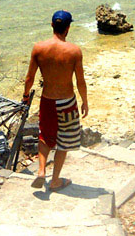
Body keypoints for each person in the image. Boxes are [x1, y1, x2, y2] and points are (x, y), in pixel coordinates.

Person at [23, 10, 88, 191]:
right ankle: (55, 180)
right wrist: (85, 101)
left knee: (45, 136)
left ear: (52, 25)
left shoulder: (39, 48)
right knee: (65, 141)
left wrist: (25, 96)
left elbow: (29, 78)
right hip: (67, 101)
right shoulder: (74, 51)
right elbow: (80, 81)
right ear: (68, 28)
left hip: (48, 101)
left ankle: (42, 171)